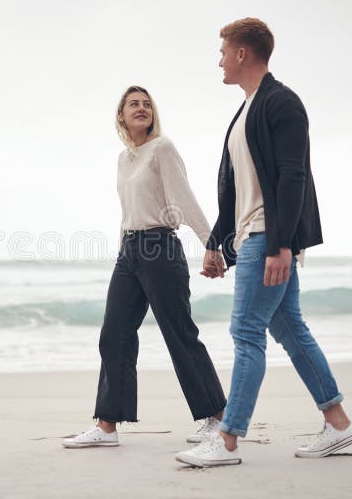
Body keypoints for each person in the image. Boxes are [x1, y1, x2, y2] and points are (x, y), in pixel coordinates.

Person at [176, 18, 352, 467]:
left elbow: (294, 175)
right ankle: (338, 423)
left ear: (242, 53)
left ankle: (229, 439)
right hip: (253, 235)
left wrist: (282, 245)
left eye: (222, 52)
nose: (218, 60)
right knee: (288, 328)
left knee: (246, 333)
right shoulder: (244, 113)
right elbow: (237, 191)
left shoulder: (282, 103)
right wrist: (216, 242)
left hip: (268, 238)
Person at [63, 86, 226, 448]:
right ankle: (107, 426)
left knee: (179, 333)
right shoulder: (124, 158)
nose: (142, 108)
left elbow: (183, 197)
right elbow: (126, 212)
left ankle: (217, 417)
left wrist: (210, 244)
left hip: (160, 247)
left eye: (147, 104)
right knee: (114, 334)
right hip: (130, 251)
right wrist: (124, 253)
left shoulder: (162, 148)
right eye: (133, 104)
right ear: (121, 115)